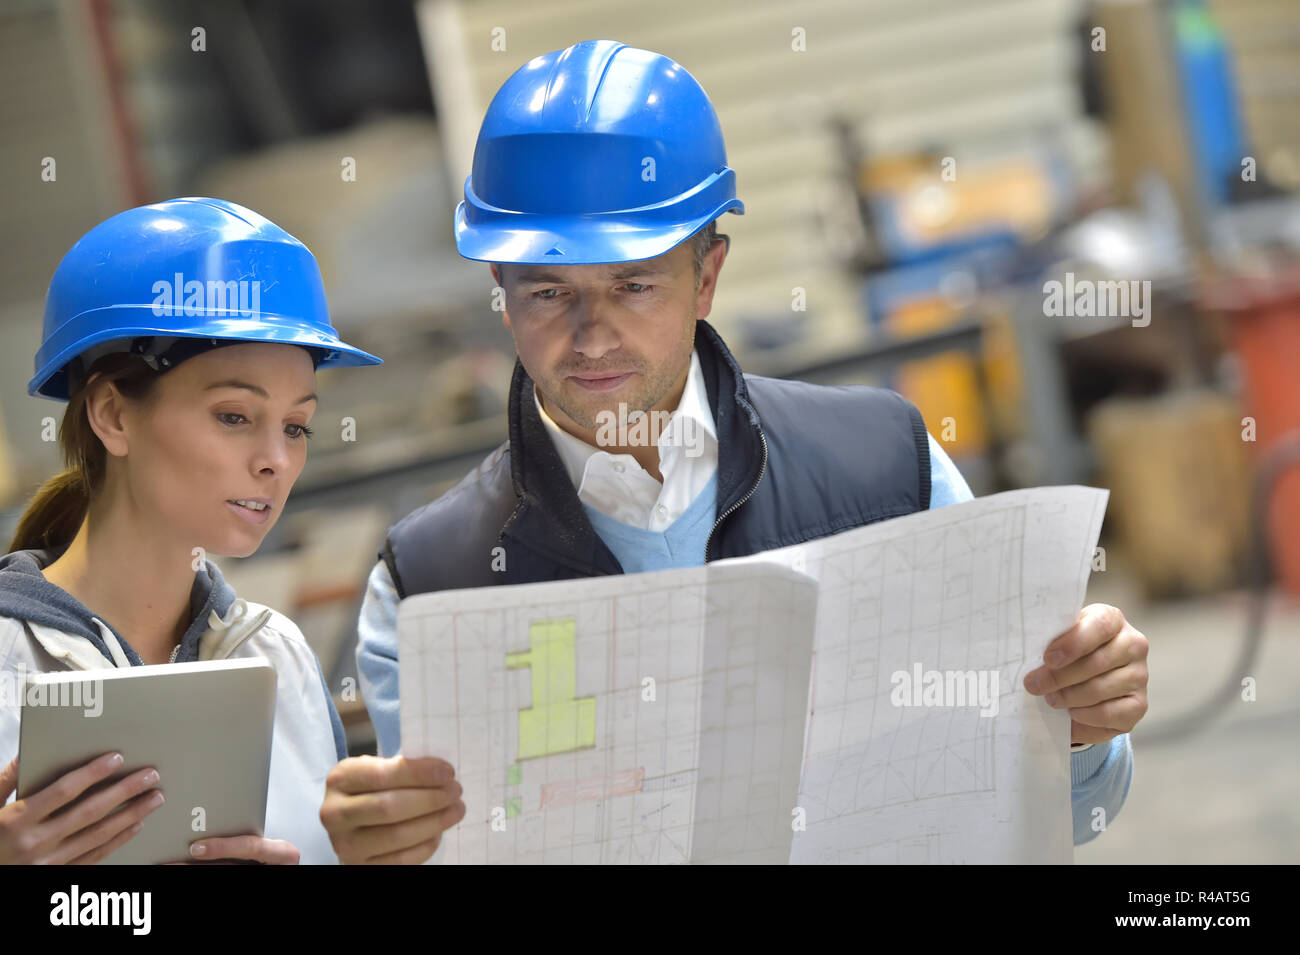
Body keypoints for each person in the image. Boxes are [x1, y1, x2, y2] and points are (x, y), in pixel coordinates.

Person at [321, 40, 1148, 863]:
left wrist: (1078, 731)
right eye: (548, 291)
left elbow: (1059, 810)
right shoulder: (429, 585)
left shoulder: (889, 469)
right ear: (498, 292)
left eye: (634, 284)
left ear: (707, 275)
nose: (591, 334)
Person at [0, 197, 382, 864]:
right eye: (234, 415)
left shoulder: (278, 659)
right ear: (113, 415)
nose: (277, 459)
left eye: (296, 426)